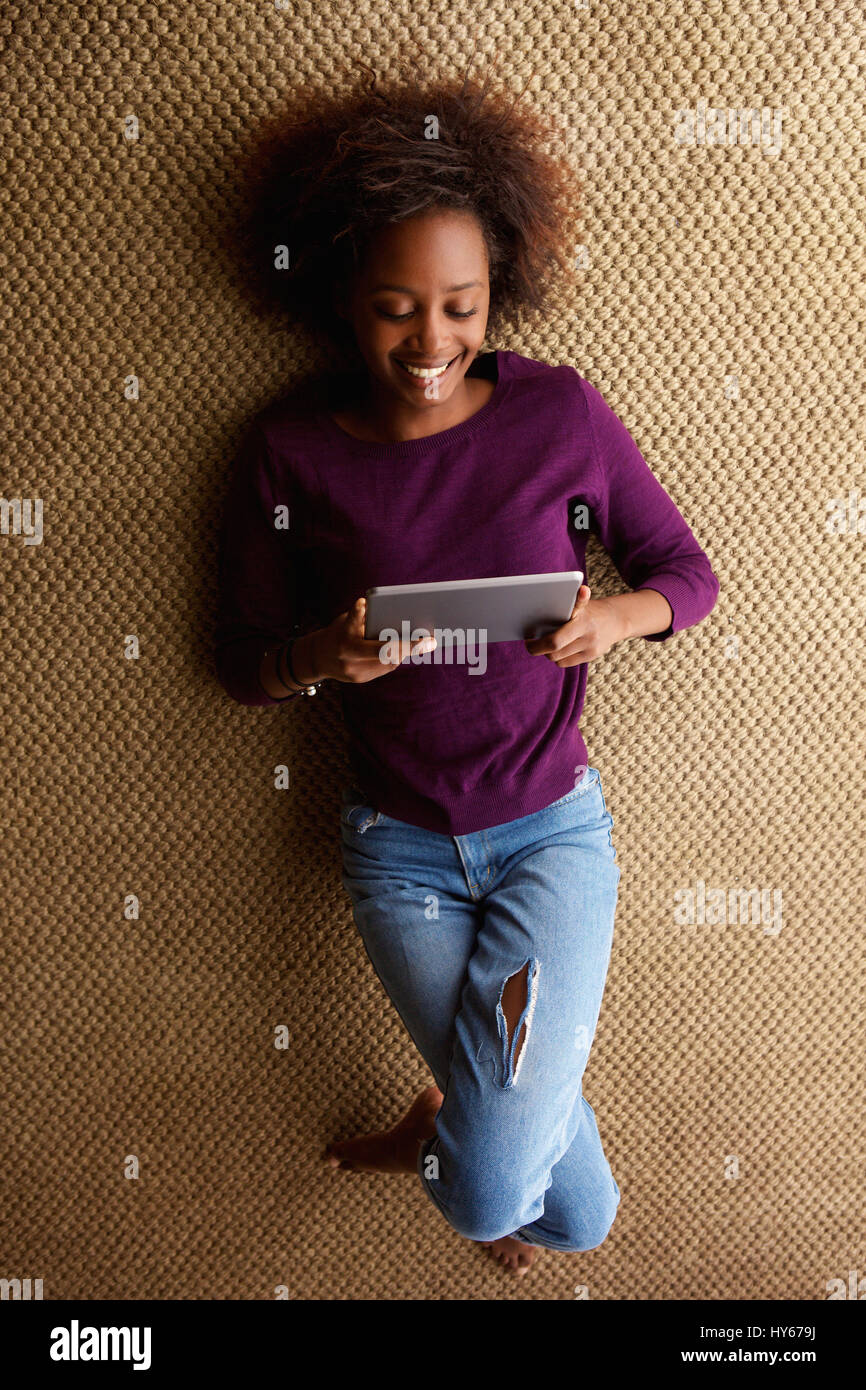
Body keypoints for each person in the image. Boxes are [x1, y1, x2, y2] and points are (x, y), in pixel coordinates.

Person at [215, 67, 720, 1276]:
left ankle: (446, 1141)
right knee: (546, 1203)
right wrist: (316, 657)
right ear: (343, 294)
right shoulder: (284, 453)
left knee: (533, 1206)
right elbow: (237, 663)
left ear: (499, 291)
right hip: (398, 851)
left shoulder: (560, 417)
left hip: (551, 832)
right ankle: (462, 1137)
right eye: (395, 308)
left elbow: (686, 574)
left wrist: (615, 618)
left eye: (462, 306)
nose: (431, 343)